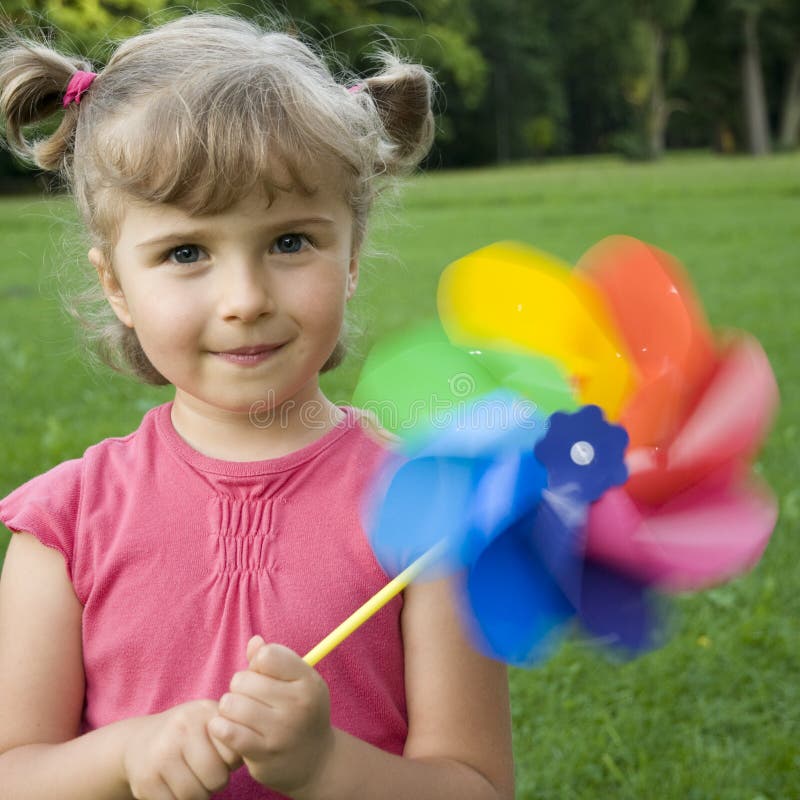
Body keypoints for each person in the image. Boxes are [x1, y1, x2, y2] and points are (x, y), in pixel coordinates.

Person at [0, 11, 514, 800]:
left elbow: (474, 785)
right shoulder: (65, 529)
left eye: (289, 242)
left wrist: (325, 765)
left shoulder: (428, 509)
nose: (244, 300)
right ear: (116, 285)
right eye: (185, 252)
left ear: (350, 254)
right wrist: (126, 754)